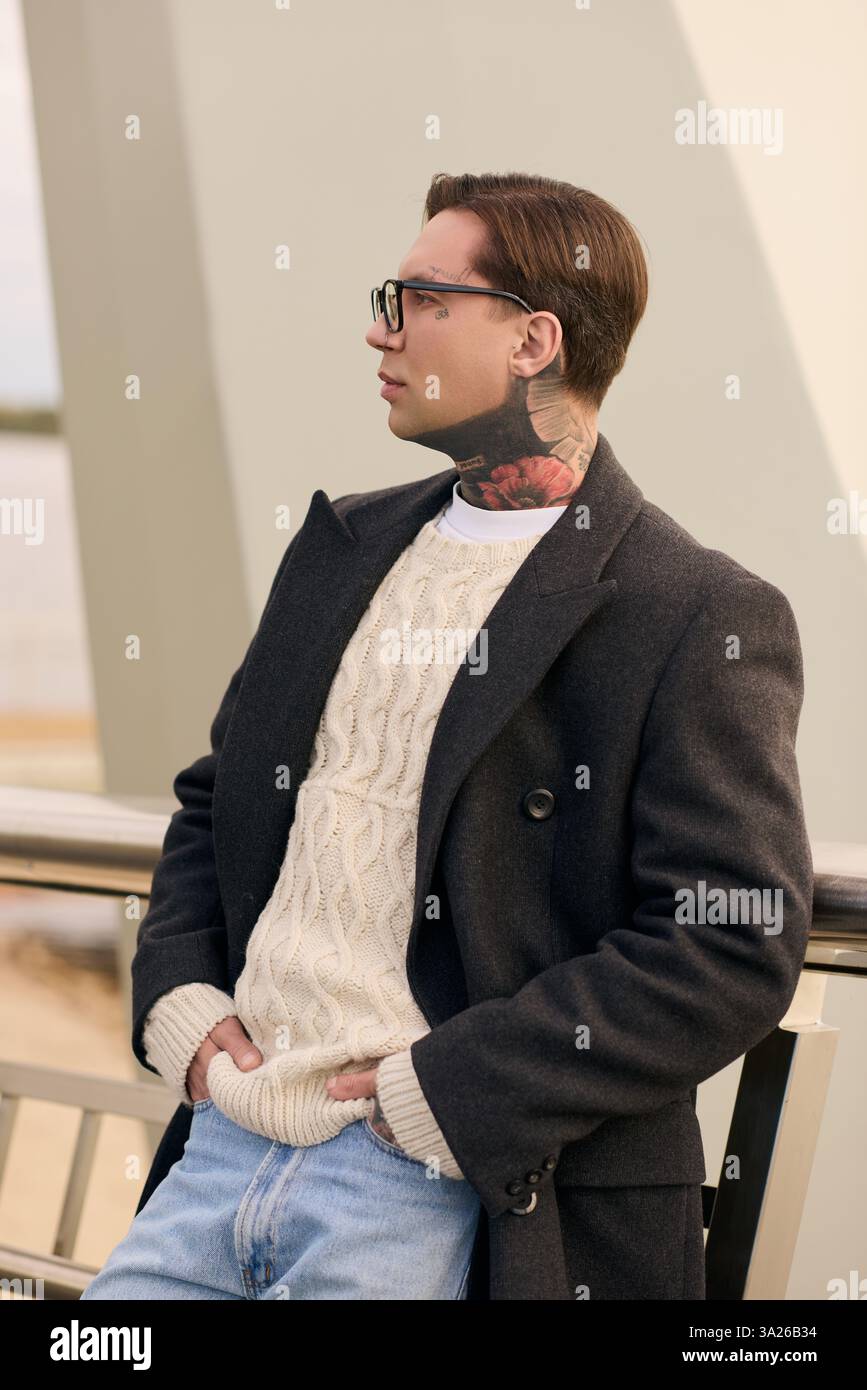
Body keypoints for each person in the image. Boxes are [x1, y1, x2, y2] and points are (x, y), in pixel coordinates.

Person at [81, 171, 812, 1301]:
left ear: (532, 339)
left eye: (418, 297)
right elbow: (217, 797)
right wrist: (180, 999)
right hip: (220, 1156)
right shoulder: (341, 546)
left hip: (443, 1186)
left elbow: (730, 941)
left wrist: (443, 1093)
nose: (380, 328)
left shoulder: (695, 610)